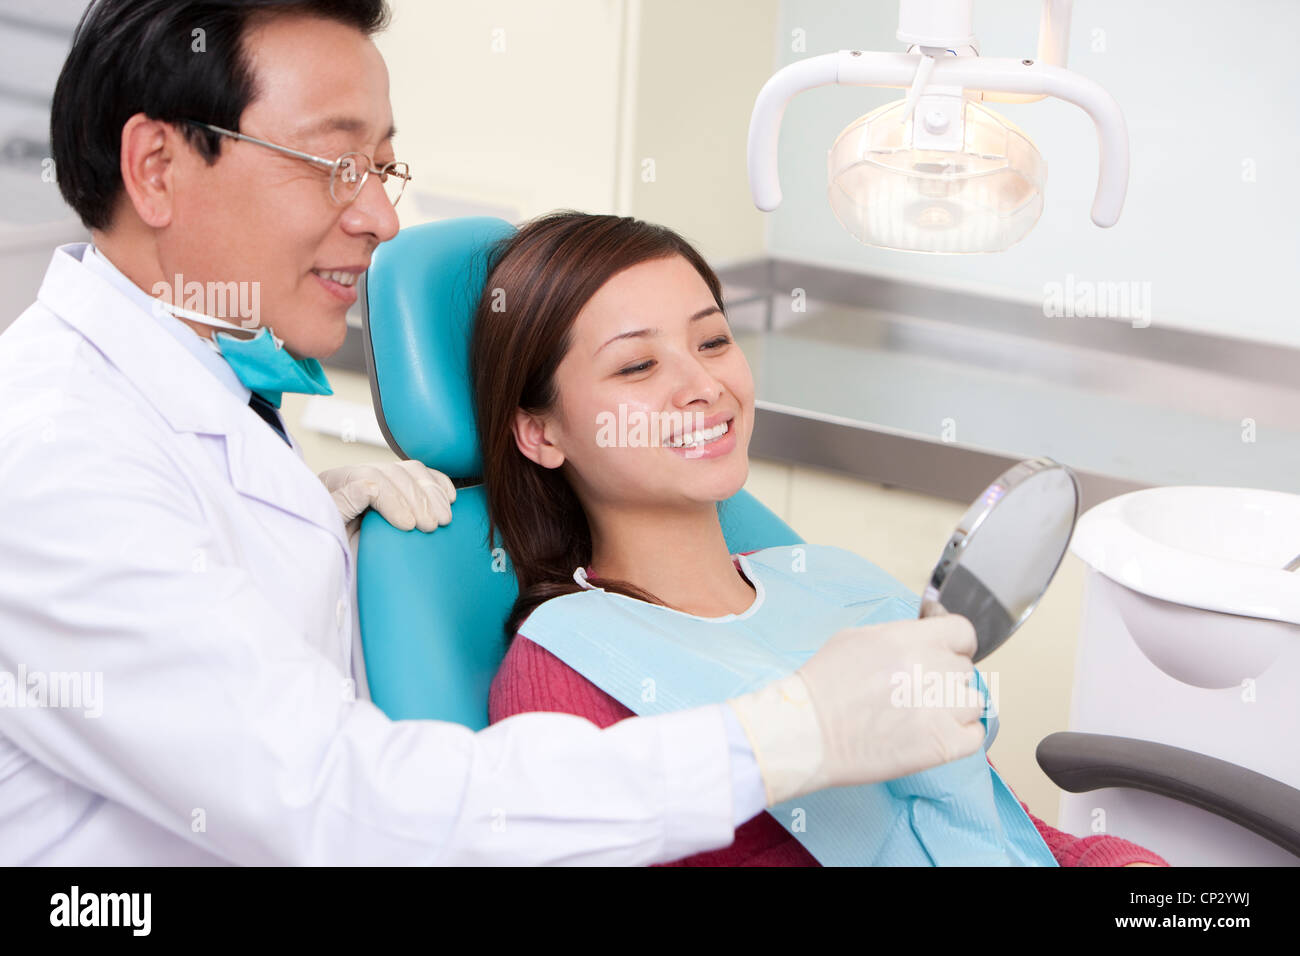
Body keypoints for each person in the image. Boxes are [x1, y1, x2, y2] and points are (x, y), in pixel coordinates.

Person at [0, 0, 987, 866]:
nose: (382, 217)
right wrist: (783, 735)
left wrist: (312, 514)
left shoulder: (207, 396)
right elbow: (340, 805)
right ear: (157, 166)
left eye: (383, 167)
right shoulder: (53, 457)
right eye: (335, 164)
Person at [479, 210, 1171, 867]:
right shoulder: (569, 671)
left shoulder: (839, 583)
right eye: (637, 366)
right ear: (541, 432)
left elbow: (991, 828)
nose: (702, 385)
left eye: (713, 341)